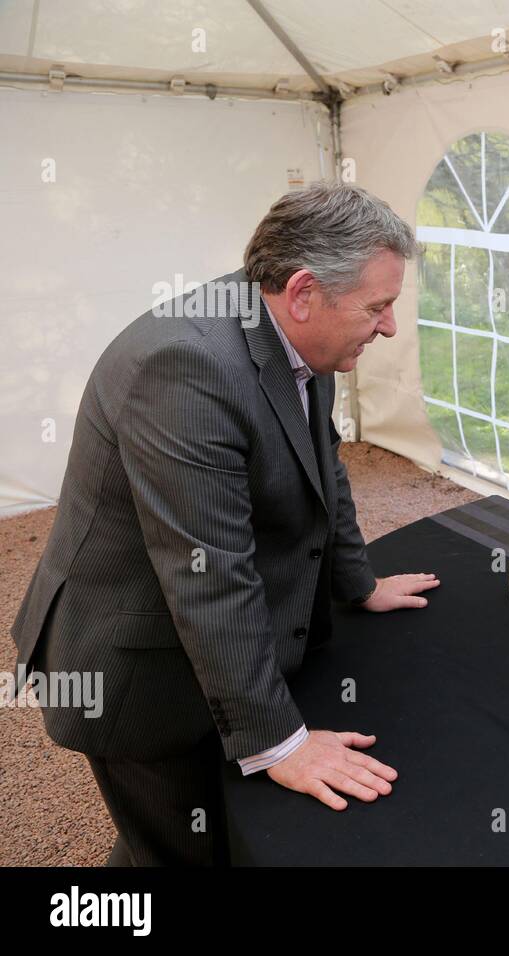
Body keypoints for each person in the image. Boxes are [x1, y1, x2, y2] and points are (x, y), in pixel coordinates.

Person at [10, 183, 440, 865]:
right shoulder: (184, 368)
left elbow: (322, 466)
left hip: (201, 642)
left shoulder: (303, 330)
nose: (388, 326)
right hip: (135, 668)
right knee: (181, 849)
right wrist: (282, 744)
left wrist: (358, 583)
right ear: (303, 292)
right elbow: (206, 573)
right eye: (379, 307)